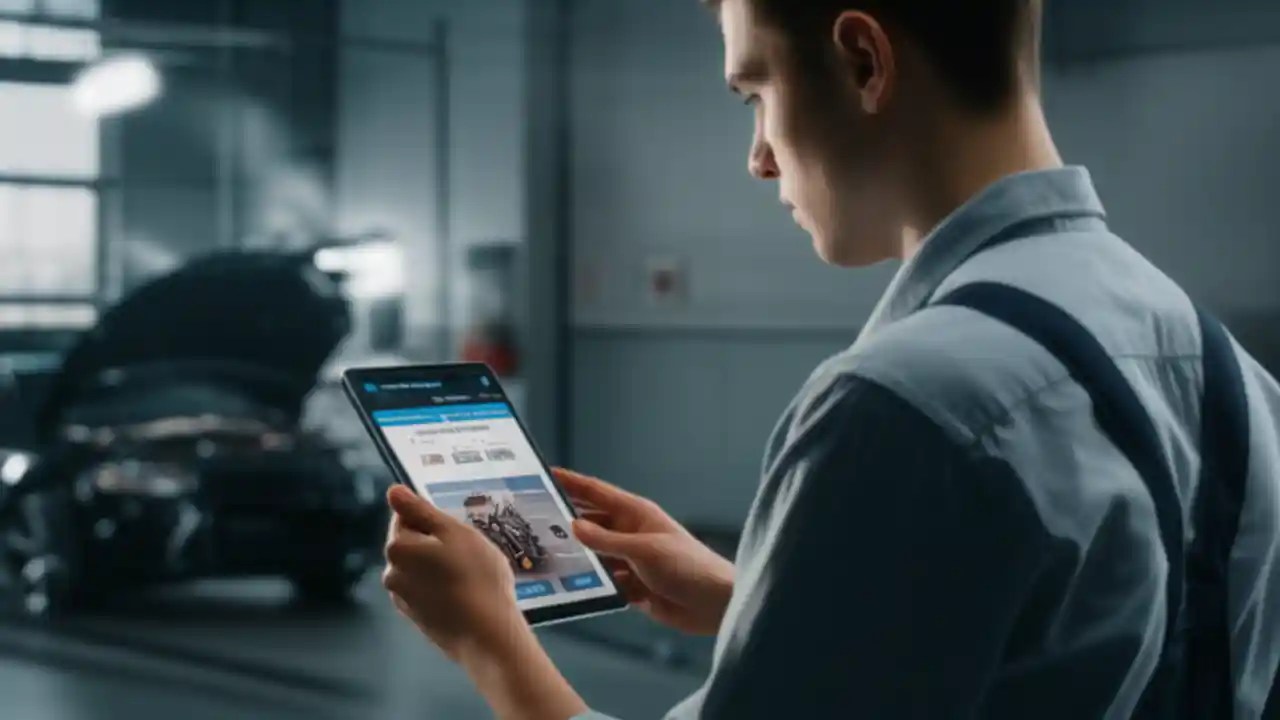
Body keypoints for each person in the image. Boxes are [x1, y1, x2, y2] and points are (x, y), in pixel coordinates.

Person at [380, 0, 1280, 718]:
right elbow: (1075, 651)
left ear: (863, 60)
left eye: (756, 93)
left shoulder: (907, 408)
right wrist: (762, 603)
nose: (760, 158)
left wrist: (489, 640)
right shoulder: (1223, 370)